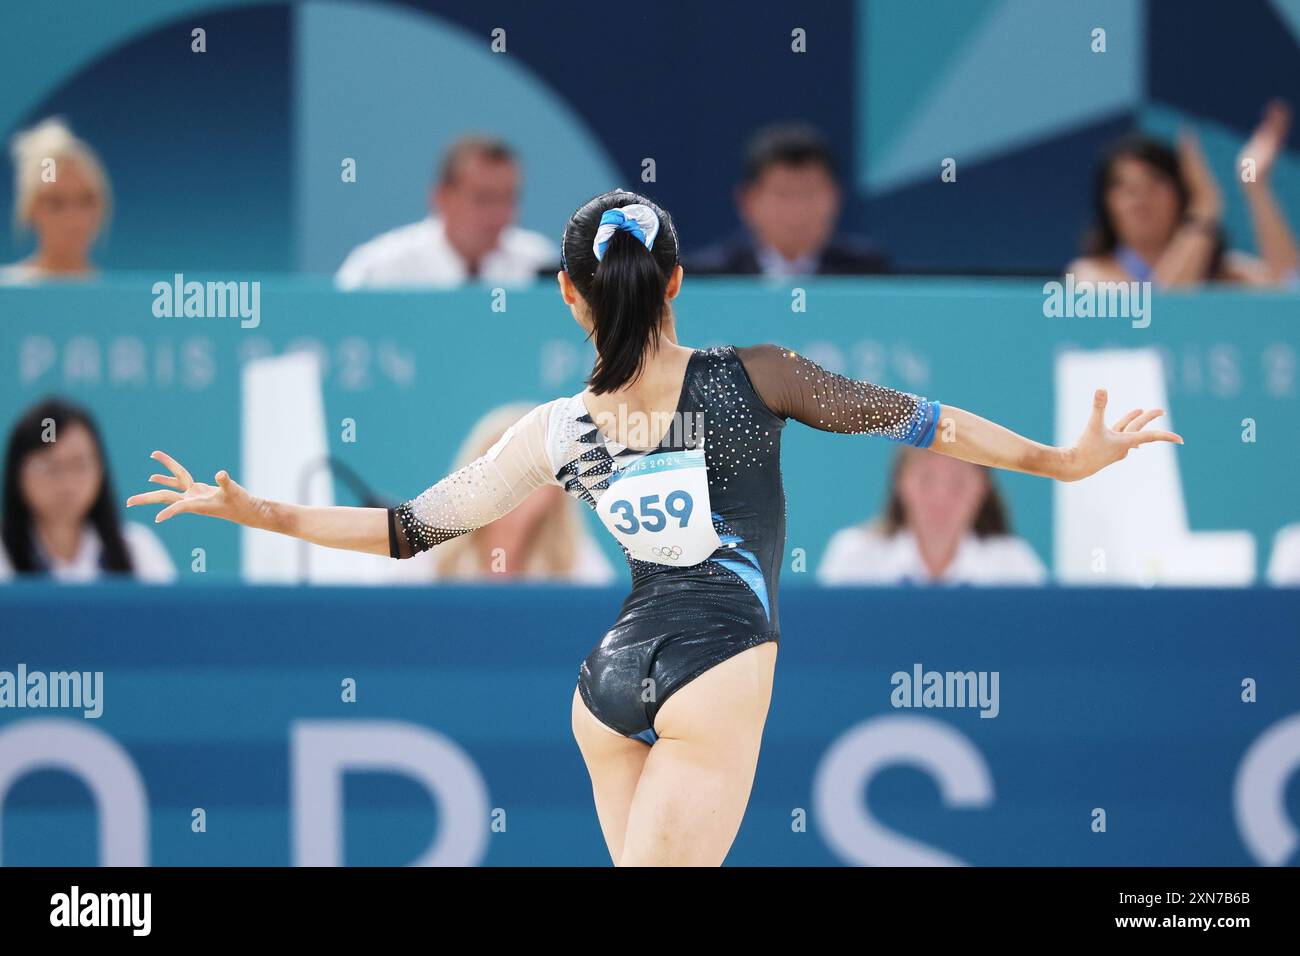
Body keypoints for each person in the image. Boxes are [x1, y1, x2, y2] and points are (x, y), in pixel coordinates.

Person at [126, 189, 1181, 866]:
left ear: (568, 296)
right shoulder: (760, 376)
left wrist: (252, 507)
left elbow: (407, 528)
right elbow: (926, 420)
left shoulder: (557, 428)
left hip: (609, 682)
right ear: (677, 279)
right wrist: (1057, 460)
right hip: (717, 675)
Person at [1067, 100, 1299, 287]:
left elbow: (1289, 285)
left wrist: (1255, 184)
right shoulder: (1089, 276)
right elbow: (1157, 316)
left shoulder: (1225, 272)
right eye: (1123, 187)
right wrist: (1204, 211)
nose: (1139, 198)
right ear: (1106, 203)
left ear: (1181, 193)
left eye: (1154, 182)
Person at [387, 402, 616, 584]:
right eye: (496, 469)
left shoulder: (576, 560)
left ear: (557, 490)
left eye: (531, 471)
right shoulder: (428, 552)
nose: (510, 483)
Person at [335, 134, 557, 289]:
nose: (499, 214)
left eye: (509, 198)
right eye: (484, 198)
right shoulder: (378, 270)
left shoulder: (540, 264)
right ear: (441, 198)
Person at [684, 122, 889, 277]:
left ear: (835, 197)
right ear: (747, 201)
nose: (797, 210)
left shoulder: (867, 272)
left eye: (810, 193)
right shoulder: (707, 277)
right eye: (783, 194)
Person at [2, 398, 174, 582]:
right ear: (17, 472)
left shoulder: (137, 550)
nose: (66, 481)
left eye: (78, 464)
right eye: (49, 466)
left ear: (100, 469)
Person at [818, 447, 1046, 586]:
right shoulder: (854, 558)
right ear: (901, 482)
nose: (941, 497)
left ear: (982, 489)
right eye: (926, 479)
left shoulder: (1014, 567)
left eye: (958, 483)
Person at [1, 117, 110, 285]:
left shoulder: (115, 299)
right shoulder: (8, 290)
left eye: (85, 201)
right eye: (56, 203)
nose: (73, 219)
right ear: (31, 209)